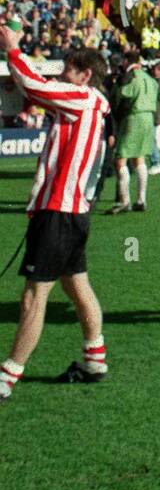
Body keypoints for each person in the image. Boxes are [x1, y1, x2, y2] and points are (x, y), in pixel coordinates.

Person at [0, 25, 111, 400]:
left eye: (67, 70)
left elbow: (35, 86)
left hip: (58, 211)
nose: (62, 75)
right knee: (76, 284)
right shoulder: (91, 104)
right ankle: (94, 359)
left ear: (85, 75)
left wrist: (13, 49)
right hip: (73, 213)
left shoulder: (82, 97)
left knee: (34, 295)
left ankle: (7, 375)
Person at [109, 48, 158, 214]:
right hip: (148, 118)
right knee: (140, 158)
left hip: (133, 117)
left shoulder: (129, 77)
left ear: (126, 61)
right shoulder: (149, 78)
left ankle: (124, 201)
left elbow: (121, 97)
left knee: (120, 160)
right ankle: (142, 199)